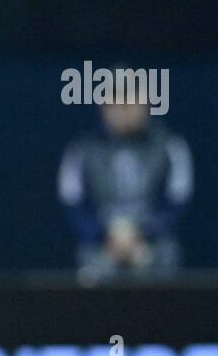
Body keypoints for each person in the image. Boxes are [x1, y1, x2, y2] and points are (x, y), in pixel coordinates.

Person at [58, 79, 193, 283]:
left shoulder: (170, 146)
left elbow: (177, 200)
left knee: (165, 257)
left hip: (154, 246)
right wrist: (105, 235)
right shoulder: (82, 149)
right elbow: (72, 202)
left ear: (146, 105)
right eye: (116, 104)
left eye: (130, 103)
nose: (124, 111)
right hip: (101, 246)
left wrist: (143, 233)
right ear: (103, 108)